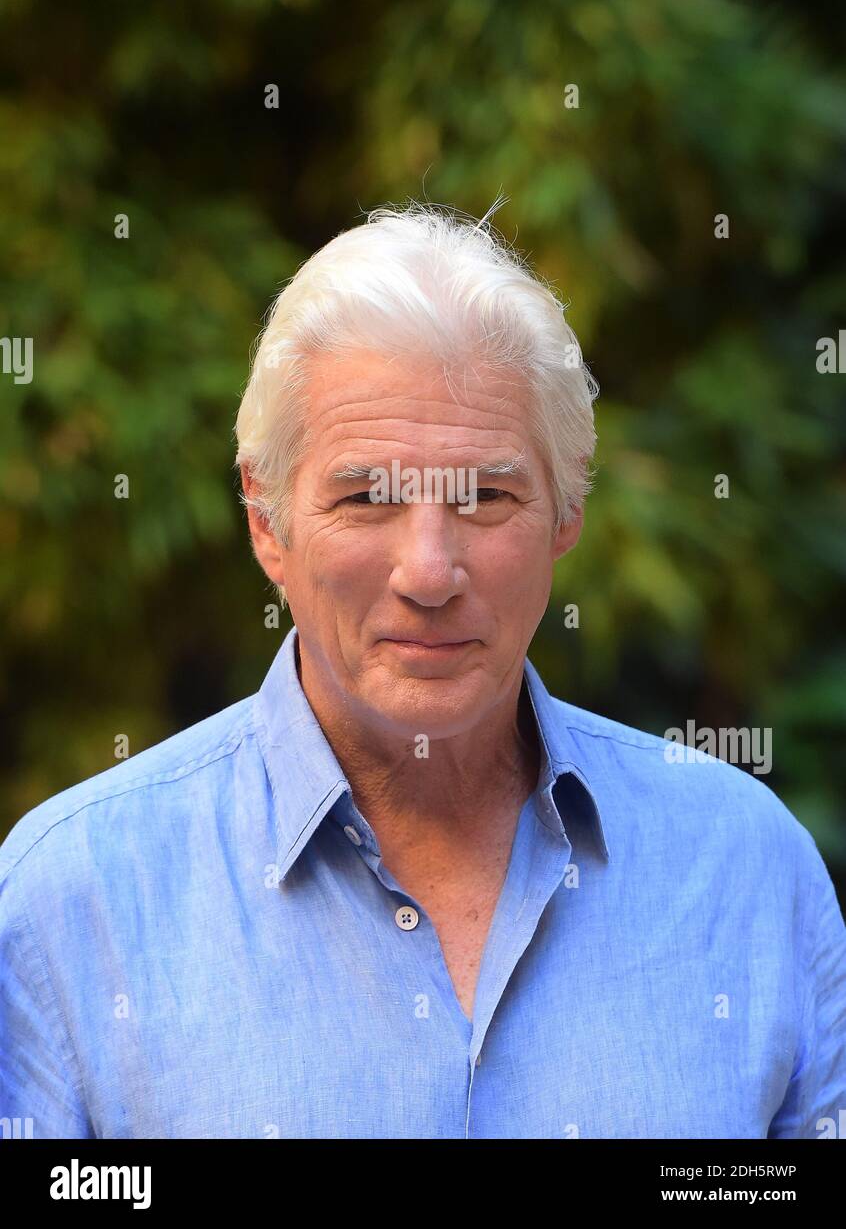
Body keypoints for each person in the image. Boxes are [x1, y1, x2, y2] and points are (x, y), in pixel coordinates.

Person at [1, 202, 844, 1139]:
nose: (430, 572)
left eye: (487, 495)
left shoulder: (750, 871)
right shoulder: (71, 903)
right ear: (266, 523)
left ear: (567, 515)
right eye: (366, 496)